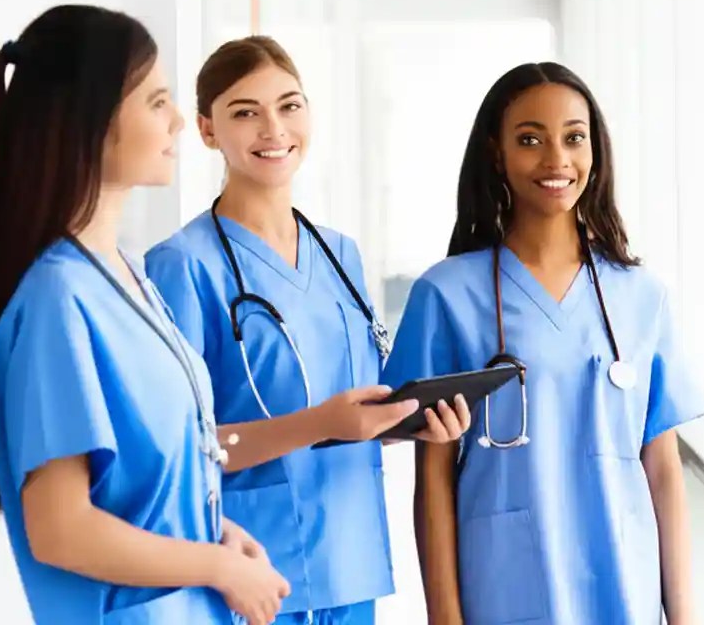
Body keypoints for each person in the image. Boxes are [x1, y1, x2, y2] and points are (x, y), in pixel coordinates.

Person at [0, 5, 289, 625]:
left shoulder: (128, 279)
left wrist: (217, 534)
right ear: (93, 119)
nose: (180, 120)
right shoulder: (57, 302)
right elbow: (62, 530)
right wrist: (218, 568)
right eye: (157, 101)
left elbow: (146, 485)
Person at [145, 36, 471, 625]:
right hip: (252, 574)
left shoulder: (339, 254)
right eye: (245, 112)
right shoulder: (183, 265)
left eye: (289, 106)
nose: (273, 128)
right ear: (206, 130)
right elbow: (178, 452)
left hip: (352, 562)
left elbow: (358, 415)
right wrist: (321, 423)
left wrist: (412, 423)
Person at [384, 62, 704, 624]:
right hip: (504, 581)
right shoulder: (447, 294)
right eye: (530, 139)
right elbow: (432, 477)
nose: (556, 159)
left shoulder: (640, 297)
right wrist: (443, 617)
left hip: (621, 581)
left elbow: (662, 467)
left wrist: (683, 616)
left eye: (573, 138)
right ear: (496, 152)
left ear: (595, 151)